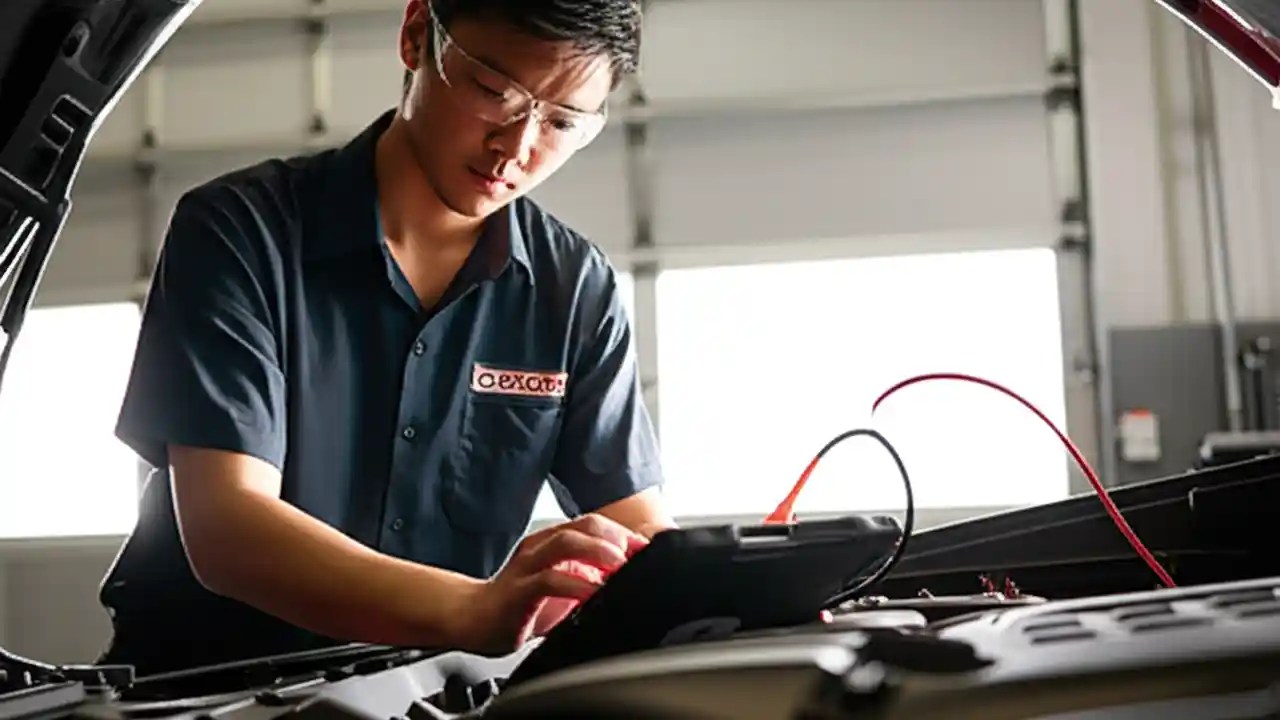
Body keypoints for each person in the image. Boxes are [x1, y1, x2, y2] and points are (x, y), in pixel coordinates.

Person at [97, 0, 675, 675]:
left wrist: (725, 595)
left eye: (562, 122)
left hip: (423, 693)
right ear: (415, 35)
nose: (517, 147)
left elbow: (636, 533)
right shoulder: (239, 233)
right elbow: (229, 528)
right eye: (494, 92)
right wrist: (473, 609)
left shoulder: (574, 288)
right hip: (209, 689)